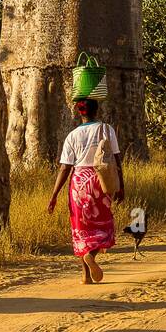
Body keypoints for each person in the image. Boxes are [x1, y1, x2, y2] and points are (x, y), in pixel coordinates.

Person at [48, 98, 125, 284]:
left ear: (79, 112)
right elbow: (117, 160)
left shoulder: (72, 135)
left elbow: (64, 168)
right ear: (97, 110)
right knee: (102, 225)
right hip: (101, 181)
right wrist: (121, 186)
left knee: (81, 229)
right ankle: (91, 254)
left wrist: (54, 195)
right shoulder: (107, 130)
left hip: (79, 183)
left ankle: (85, 275)